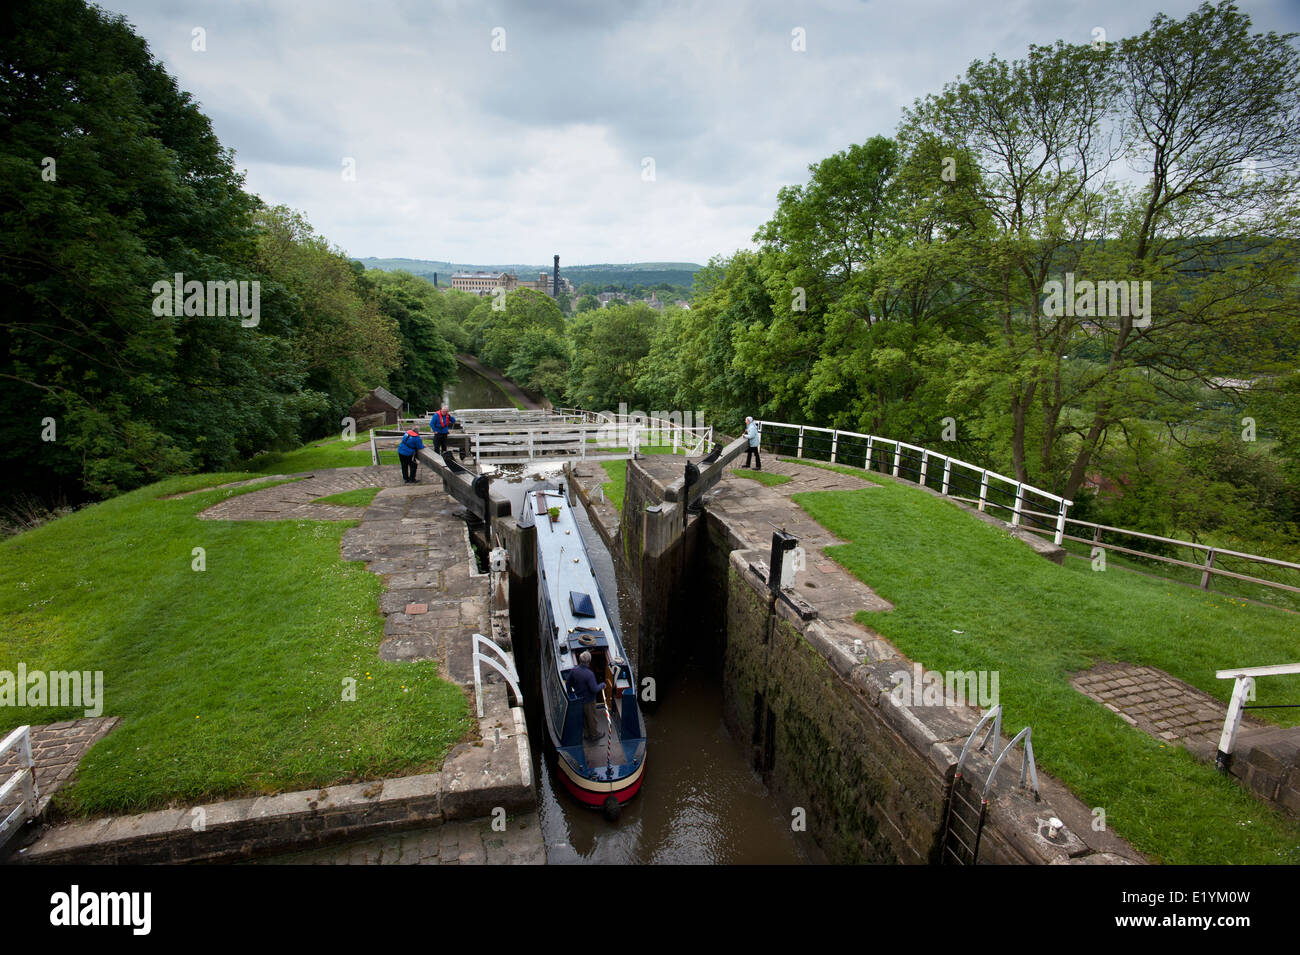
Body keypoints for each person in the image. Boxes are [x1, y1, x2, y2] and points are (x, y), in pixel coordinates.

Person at [565, 650, 606, 741]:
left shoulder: (574, 670)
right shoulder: (589, 674)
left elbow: (568, 683)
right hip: (589, 700)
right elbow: (594, 689)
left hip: (579, 699)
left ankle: (586, 734)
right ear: (589, 662)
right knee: (591, 718)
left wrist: (571, 693)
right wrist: (602, 685)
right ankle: (594, 735)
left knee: (584, 718)